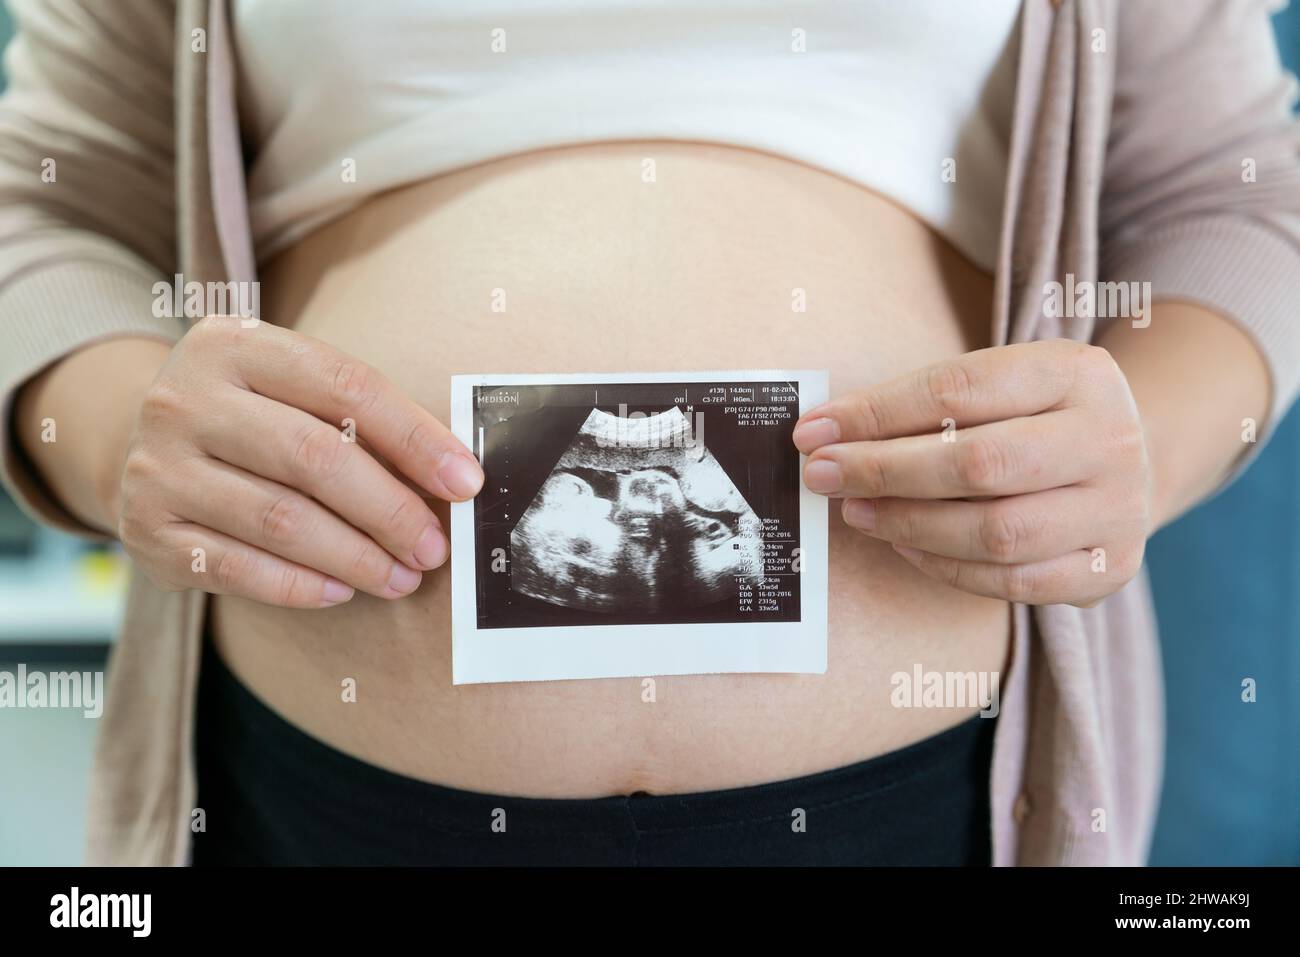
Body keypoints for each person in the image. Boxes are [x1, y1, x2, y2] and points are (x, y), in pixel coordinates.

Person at [1, 0, 1297, 865]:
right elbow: (44, 205)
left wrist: (1149, 433)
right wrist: (113, 428)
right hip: (325, 789)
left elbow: (1237, 193)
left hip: (922, 796)